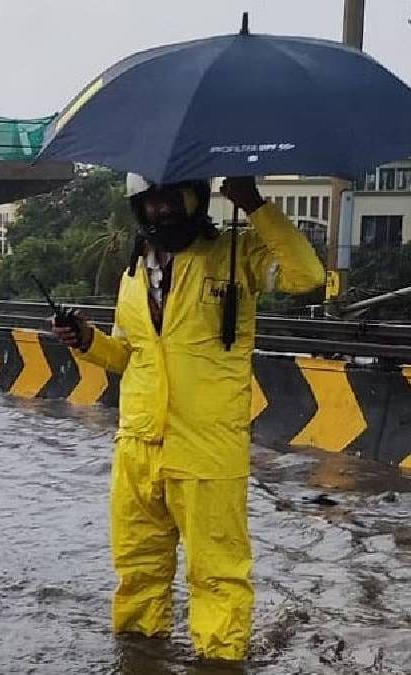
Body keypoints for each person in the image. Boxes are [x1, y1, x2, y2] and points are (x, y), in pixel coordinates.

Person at [52, 174, 325, 661]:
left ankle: (220, 664)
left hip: (207, 450)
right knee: (137, 571)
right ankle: (139, 659)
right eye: (150, 204)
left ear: (196, 199)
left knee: (218, 575)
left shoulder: (237, 256)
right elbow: (130, 355)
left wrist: (257, 205)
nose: (161, 212)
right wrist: (88, 341)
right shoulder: (134, 273)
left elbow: (308, 277)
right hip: (138, 446)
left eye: (170, 200)